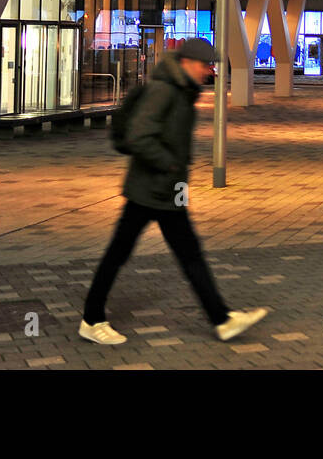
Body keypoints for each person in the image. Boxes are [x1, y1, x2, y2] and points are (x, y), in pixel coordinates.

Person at [80, 37, 266, 346]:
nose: (209, 72)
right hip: (148, 190)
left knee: (188, 253)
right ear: (186, 63)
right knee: (120, 253)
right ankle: (91, 319)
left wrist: (176, 176)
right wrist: (168, 165)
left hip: (170, 189)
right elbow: (140, 135)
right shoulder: (163, 90)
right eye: (205, 66)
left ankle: (222, 320)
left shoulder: (182, 92)